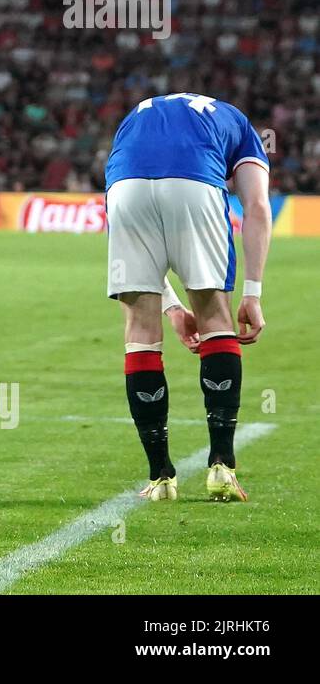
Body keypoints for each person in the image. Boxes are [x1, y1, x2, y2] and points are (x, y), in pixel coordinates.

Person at [104, 92, 271, 503]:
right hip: (195, 183)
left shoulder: (138, 112)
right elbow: (257, 206)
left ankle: (160, 478)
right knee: (216, 319)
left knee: (140, 330)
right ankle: (221, 467)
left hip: (124, 188)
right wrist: (252, 292)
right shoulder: (238, 124)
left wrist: (170, 307)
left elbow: (125, 190)